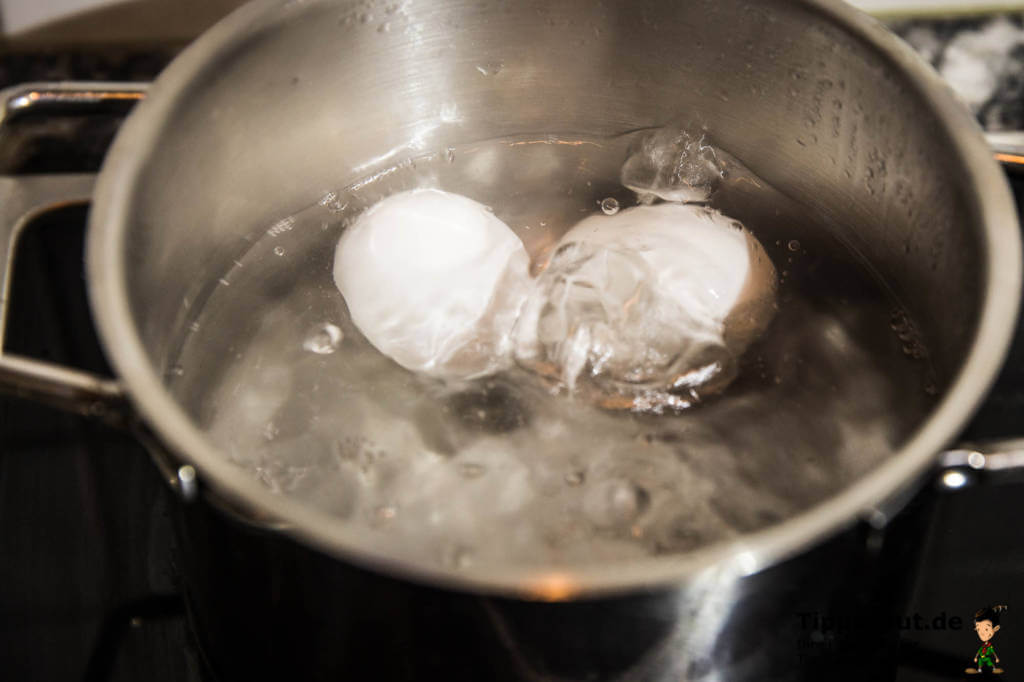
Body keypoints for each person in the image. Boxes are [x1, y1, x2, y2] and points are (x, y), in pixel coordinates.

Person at [967, 605, 1007, 675]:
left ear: (996, 628)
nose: (982, 633)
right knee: (980, 661)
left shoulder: (991, 645)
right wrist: (976, 657)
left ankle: (994, 668)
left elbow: (993, 652)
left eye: (986, 629)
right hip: (982, 658)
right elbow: (978, 652)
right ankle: (979, 670)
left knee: (989, 662)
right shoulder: (983, 646)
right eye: (978, 629)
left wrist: (996, 658)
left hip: (987, 658)